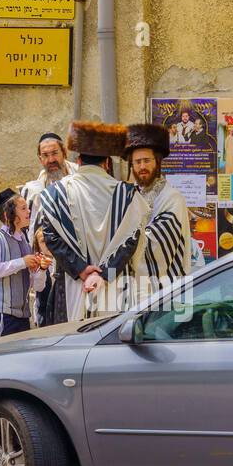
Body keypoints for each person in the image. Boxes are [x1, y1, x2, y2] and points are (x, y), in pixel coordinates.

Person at [34, 121, 149, 319]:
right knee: (111, 342)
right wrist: (103, 274)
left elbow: (51, 237)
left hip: (72, 288)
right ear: (106, 163)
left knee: (73, 343)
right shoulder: (128, 194)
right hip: (116, 287)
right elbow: (131, 242)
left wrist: (81, 270)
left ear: (78, 161)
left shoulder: (55, 194)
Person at [123, 123, 192, 305]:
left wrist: (120, 248)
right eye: (137, 162)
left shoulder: (172, 198)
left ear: (158, 162)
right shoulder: (130, 196)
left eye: (147, 160)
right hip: (135, 293)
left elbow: (157, 245)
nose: (142, 167)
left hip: (167, 290)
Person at [19, 132, 76, 327]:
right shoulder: (33, 190)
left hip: (75, 266)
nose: (51, 160)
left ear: (64, 152)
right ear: (40, 159)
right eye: (46, 155)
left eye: (55, 153)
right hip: (46, 266)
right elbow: (27, 229)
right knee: (46, 320)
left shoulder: (80, 181)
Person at [0, 189, 49, 338]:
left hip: (23, 317)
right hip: (1, 315)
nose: (29, 211)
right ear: (8, 214)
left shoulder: (25, 243)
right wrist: (22, 262)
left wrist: (41, 270)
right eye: (23, 208)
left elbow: (37, 286)